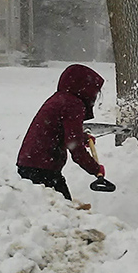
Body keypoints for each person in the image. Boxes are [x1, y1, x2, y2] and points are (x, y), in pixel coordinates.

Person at [17, 63, 106, 201]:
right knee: (63, 211)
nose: (95, 96)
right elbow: (74, 147)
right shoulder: (73, 105)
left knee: (56, 211)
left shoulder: (61, 99)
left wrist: (82, 138)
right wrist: (96, 169)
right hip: (42, 168)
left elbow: (62, 131)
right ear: (85, 87)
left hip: (31, 163)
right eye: (95, 91)